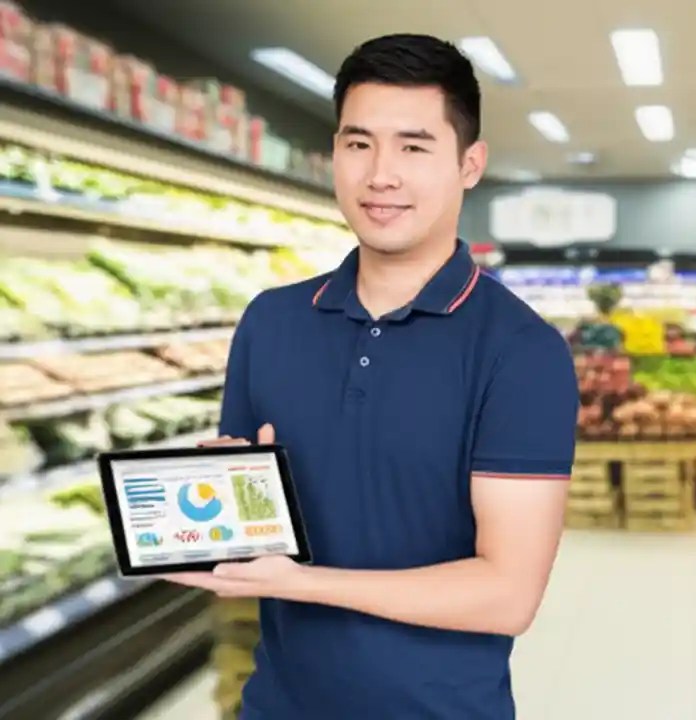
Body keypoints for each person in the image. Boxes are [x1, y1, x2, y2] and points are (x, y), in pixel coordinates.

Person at [163, 33, 579, 719]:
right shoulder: (270, 321)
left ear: (469, 164)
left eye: (414, 147)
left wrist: (304, 583)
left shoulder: (521, 352)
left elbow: (507, 595)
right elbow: (252, 532)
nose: (380, 174)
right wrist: (221, 502)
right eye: (359, 143)